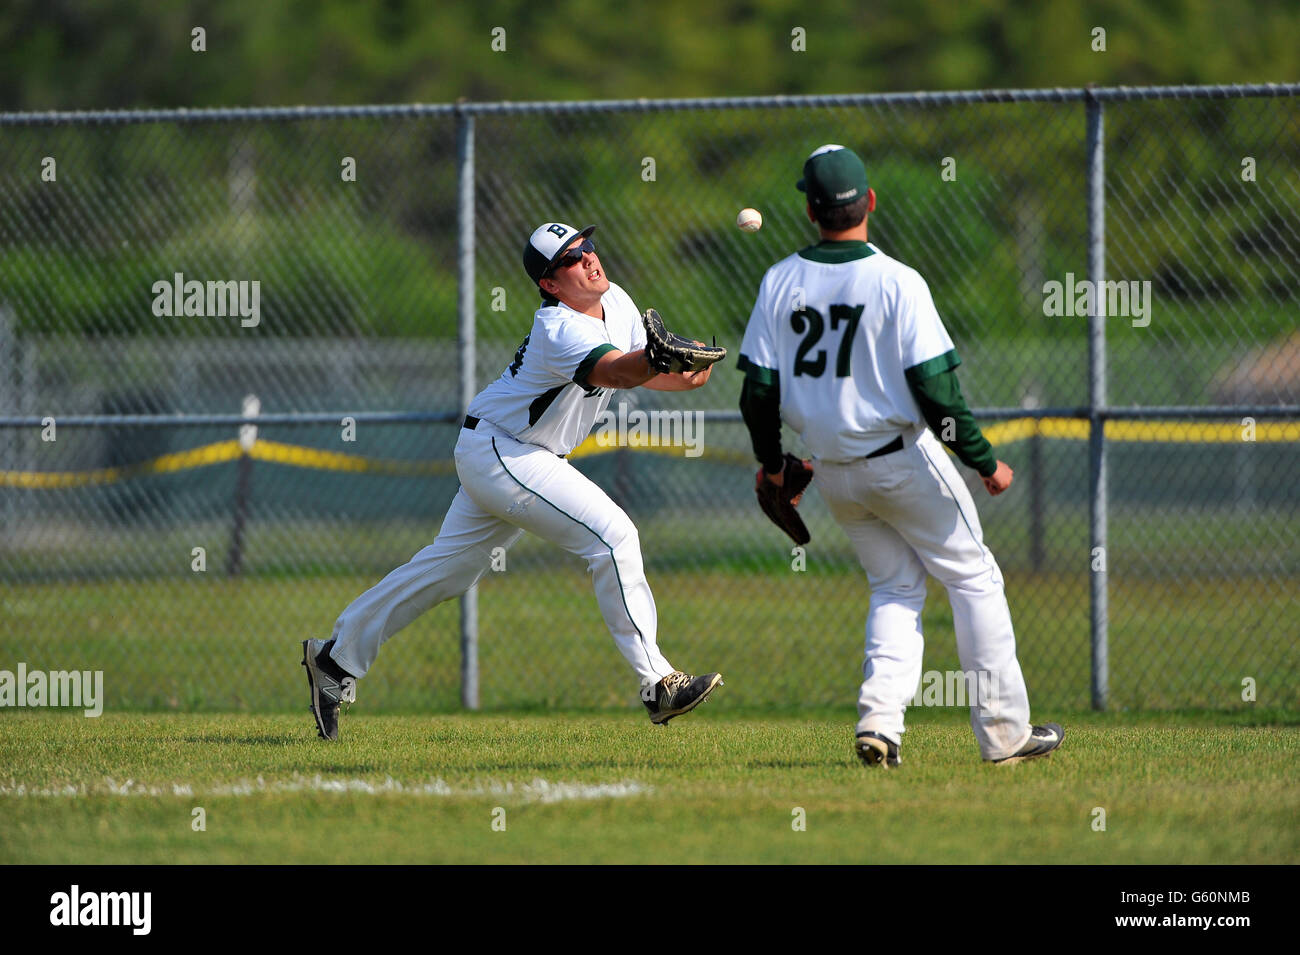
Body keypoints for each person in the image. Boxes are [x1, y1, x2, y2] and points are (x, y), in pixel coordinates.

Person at [302, 222, 723, 740]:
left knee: (448, 571)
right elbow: (614, 372)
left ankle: (335, 658)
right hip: (506, 450)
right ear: (550, 284)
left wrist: (683, 372)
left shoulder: (616, 299)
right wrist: (661, 358)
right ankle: (658, 682)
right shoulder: (558, 329)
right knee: (614, 538)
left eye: (588, 246)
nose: (589, 259)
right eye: (572, 258)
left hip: (510, 452)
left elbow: (642, 368)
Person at [738, 145, 1064, 767]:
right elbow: (935, 390)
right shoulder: (896, 280)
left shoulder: (780, 279)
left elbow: (758, 390)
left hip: (835, 472)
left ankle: (881, 725)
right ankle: (1005, 736)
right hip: (901, 459)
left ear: (809, 209)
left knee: (894, 585)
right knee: (973, 580)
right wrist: (983, 459)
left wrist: (774, 463)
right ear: (871, 203)